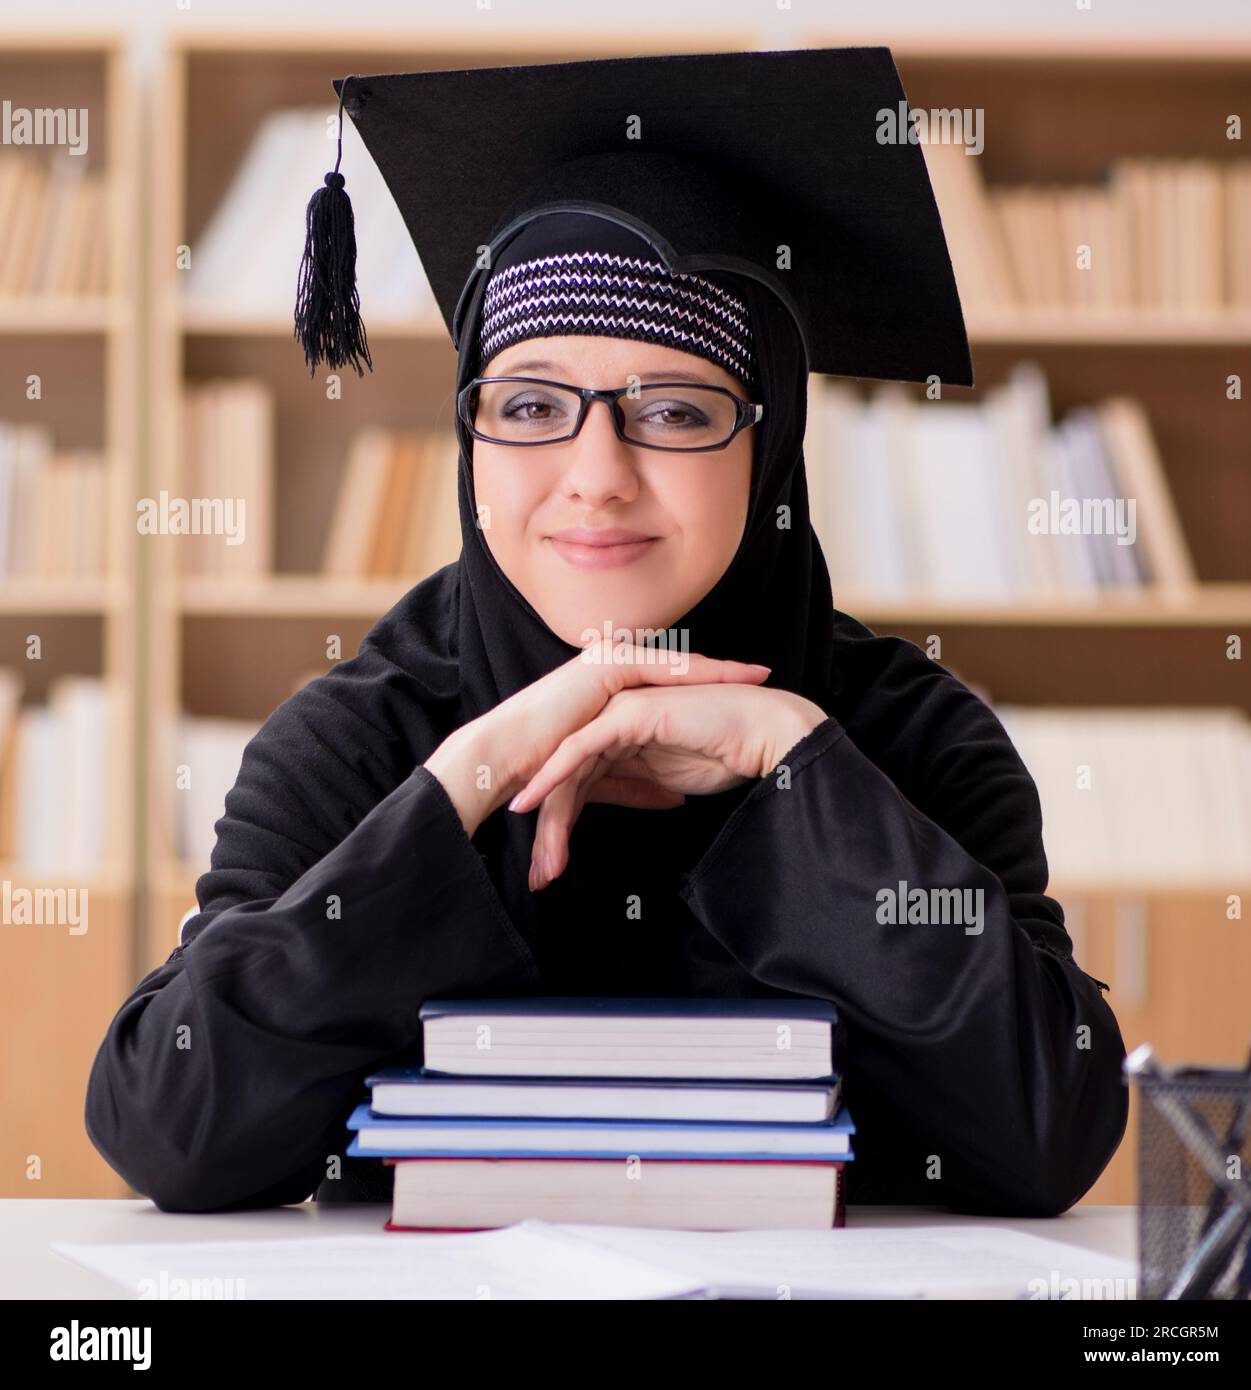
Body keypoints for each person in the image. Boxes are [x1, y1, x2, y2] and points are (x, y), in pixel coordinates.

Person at [85, 48, 1128, 1216]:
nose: (596, 477)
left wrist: (795, 768)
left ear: (770, 449)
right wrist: (469, 777)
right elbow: (168, 1126)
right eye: (529, 405)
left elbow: (1053, 1134)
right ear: (470, 437)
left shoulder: (912, 742)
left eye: (674, 411)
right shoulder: (357, 740)